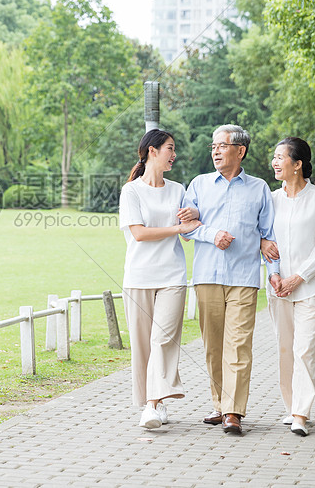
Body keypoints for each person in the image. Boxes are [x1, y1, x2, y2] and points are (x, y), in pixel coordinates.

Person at [181, 124, 279, 435]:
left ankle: (233, 411)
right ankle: (219, 404)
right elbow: (186, 226)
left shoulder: (259, 188)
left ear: (240, 150)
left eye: (222, 146)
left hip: (244, 277)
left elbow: (270, 235)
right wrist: (212, 234)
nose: (215, 151)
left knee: (238, 345)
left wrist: (274, 272)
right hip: (207, 275)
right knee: (213, 346)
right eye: (213, 147)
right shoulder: (198, 185)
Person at [119, 129, 201, 429]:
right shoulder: (131, 191)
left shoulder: (178, 190)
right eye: (170, 148)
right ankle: (154, 403)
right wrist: (177, 229)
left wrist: (193, 215)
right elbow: (139, 233)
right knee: (143, 346)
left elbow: (189, 232)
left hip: (172, 276)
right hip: (138, 277)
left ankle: (152, 406)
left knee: (162, 340)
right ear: (152, 151)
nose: (174, 154)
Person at [266, 137, 315, 437]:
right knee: (285, 349)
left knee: (304, 350)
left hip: (310, 288)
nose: (275, 162)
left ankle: (301, 414)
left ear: (298, 164)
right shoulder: (271, 199)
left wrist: (298, 277)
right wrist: (275, 275)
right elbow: (265, 240)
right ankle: (291, 405)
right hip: (278, 287)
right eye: (274, 157)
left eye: (280, 157)